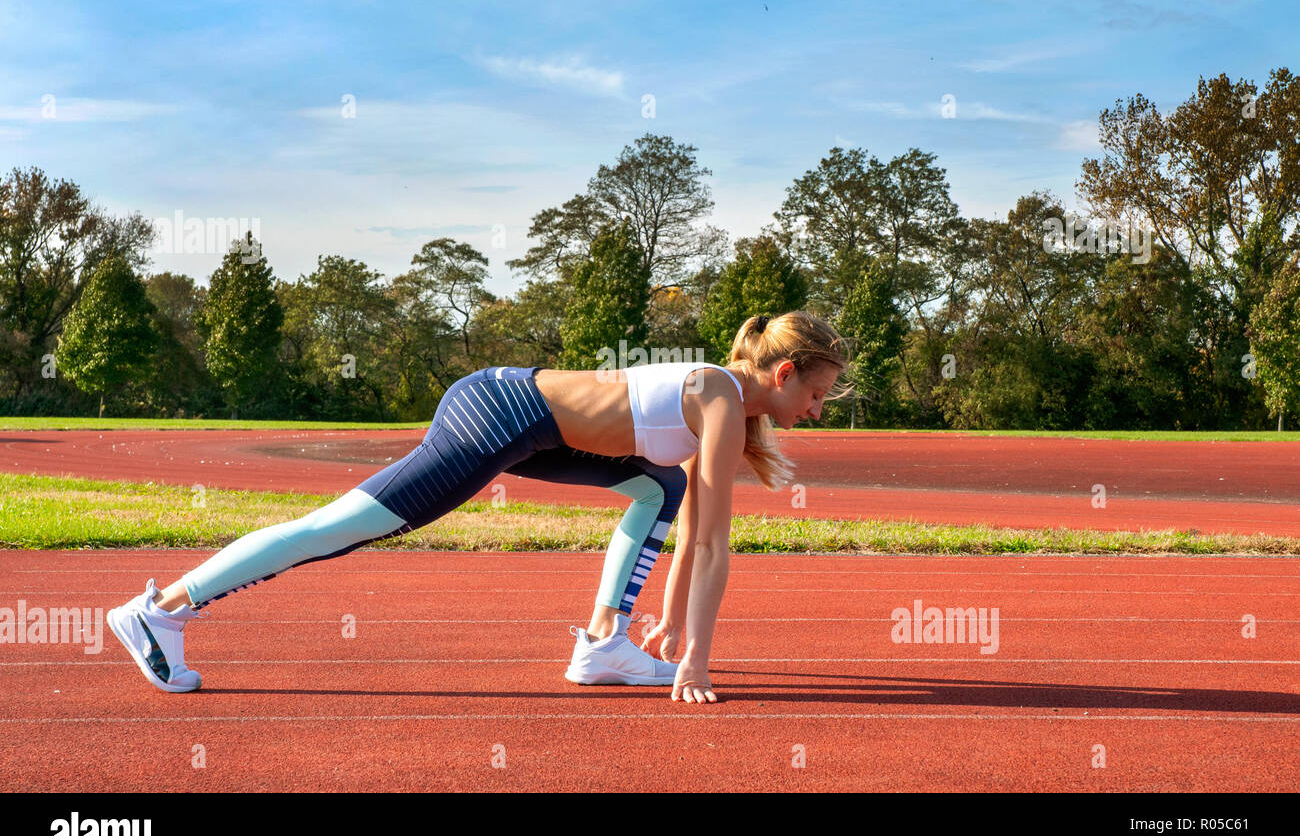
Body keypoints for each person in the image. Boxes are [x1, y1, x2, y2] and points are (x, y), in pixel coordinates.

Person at [107, 310, 849, 703]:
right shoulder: (719, 395)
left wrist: (671, 634)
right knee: (344, 526)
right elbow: (716, 546)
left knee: (661, 486)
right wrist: (695, 660)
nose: (816, 411)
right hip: (500, 412)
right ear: (783, 373)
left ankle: (602, 645)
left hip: (530, 424)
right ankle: (164, 607)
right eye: (815, 394)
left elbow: (691, 531)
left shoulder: (728, 402)